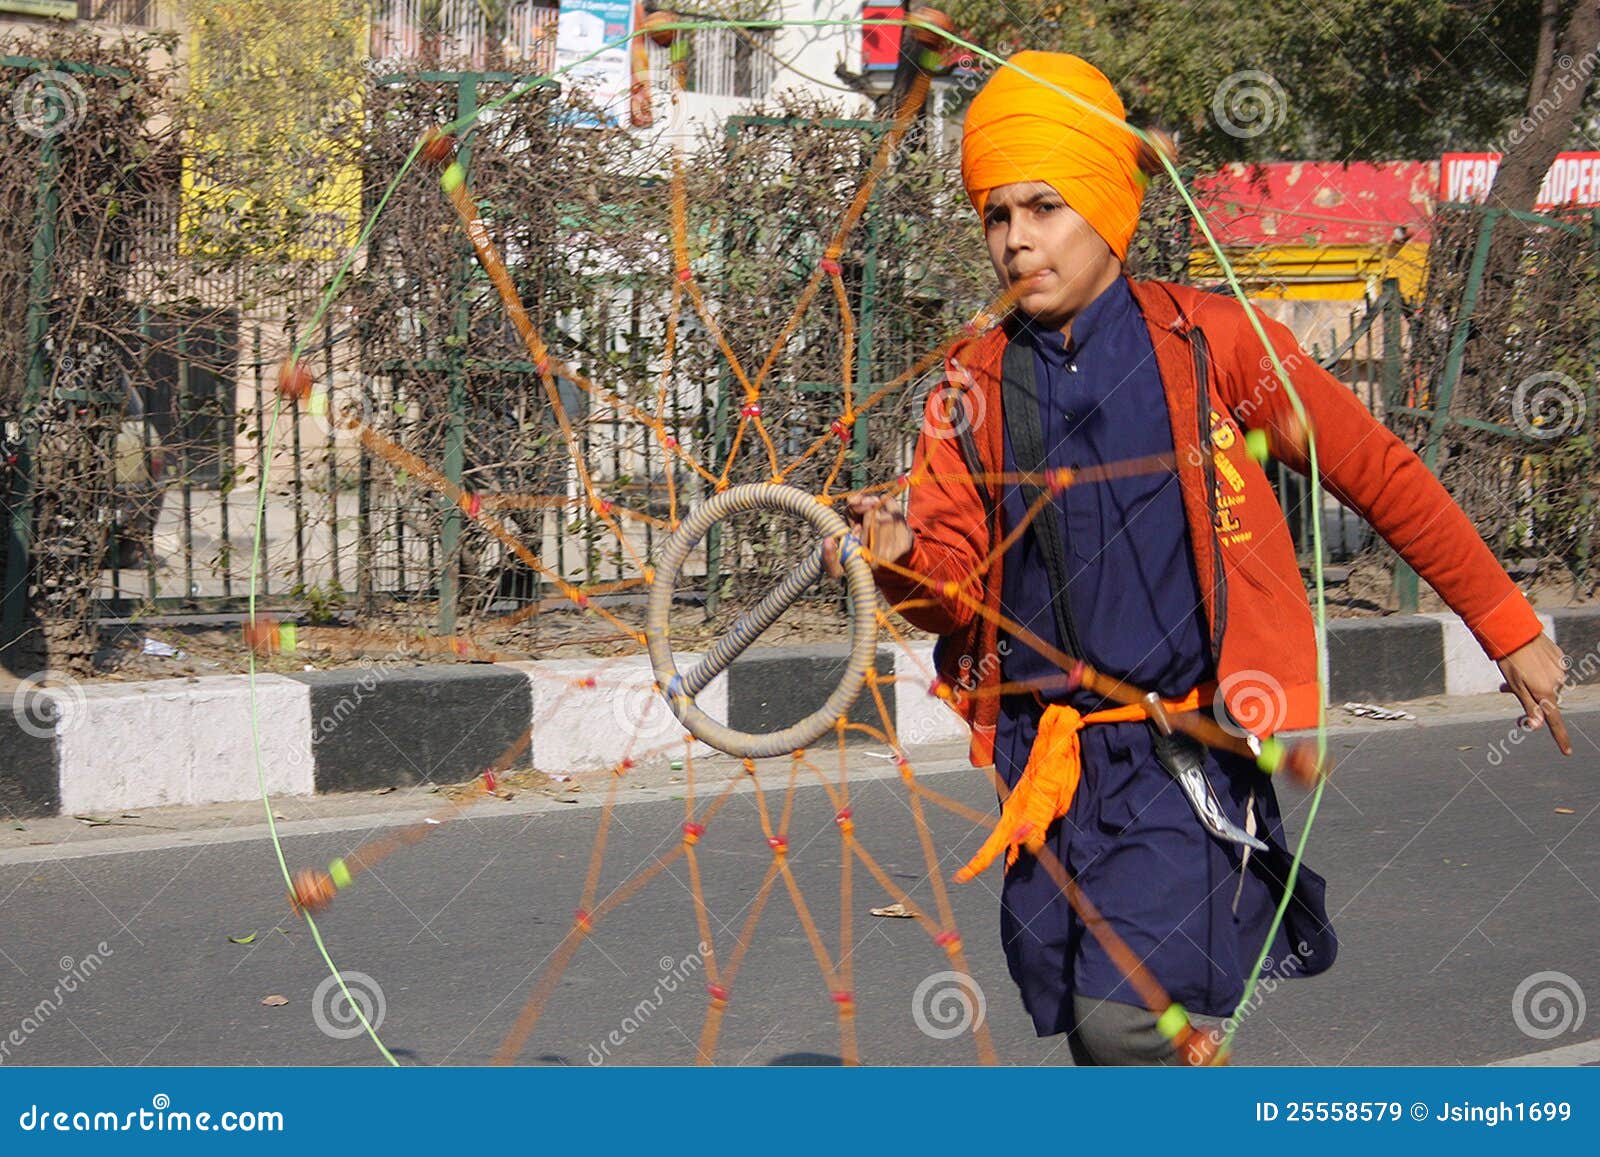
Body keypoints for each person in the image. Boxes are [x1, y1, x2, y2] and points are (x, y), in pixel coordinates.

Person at [823, 51, 1570, 1065]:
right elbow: (951, 588)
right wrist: (900, 550)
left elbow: (1379, 471)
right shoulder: (973, 377)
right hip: (1045, 760)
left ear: (1104, 200)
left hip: (1182, 753)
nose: (1016, 238)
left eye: (1043, 206)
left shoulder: (1210, 341)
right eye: (997, 215)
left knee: (1120, 1019)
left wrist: (1507, 624)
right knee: (1097, 1031)